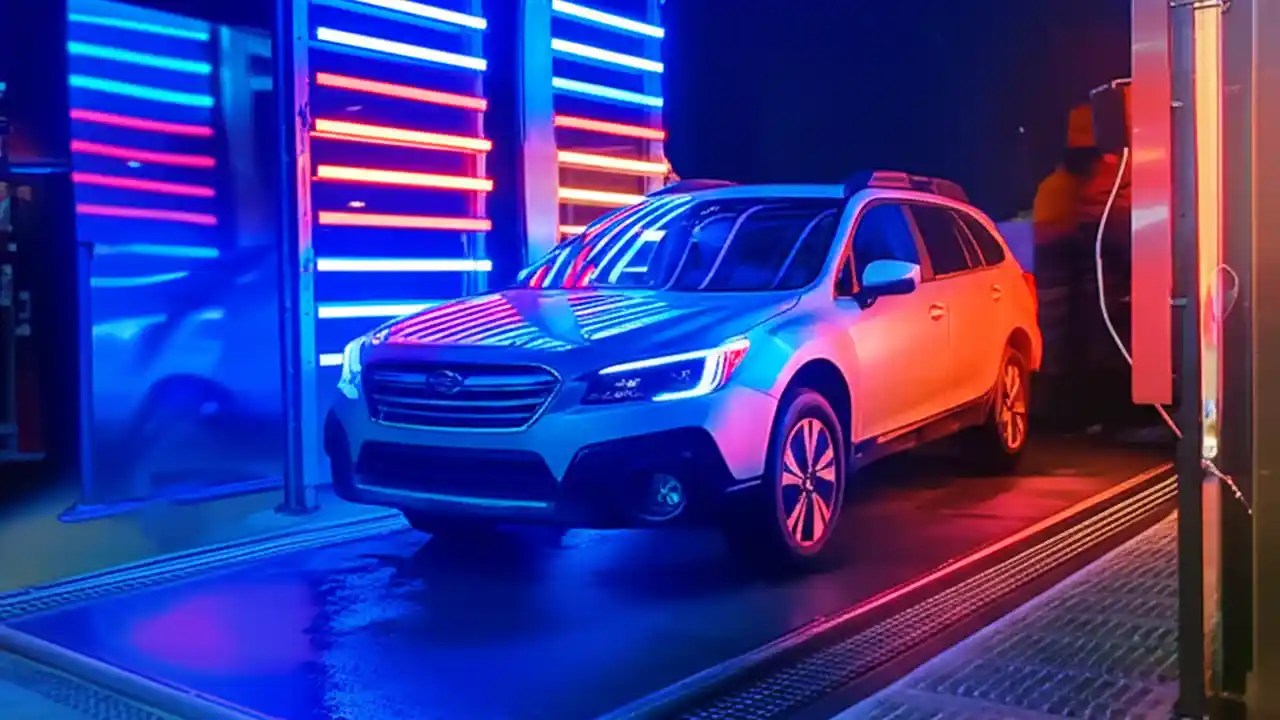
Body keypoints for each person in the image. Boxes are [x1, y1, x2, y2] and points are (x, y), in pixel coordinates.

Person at [1031, 103, 1133, 433]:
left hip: (1090, 299)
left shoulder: (1084, 183)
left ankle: (1089, 415)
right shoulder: (1060, 189)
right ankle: (1079, 416)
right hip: (1074, 302)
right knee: (1076, 356)